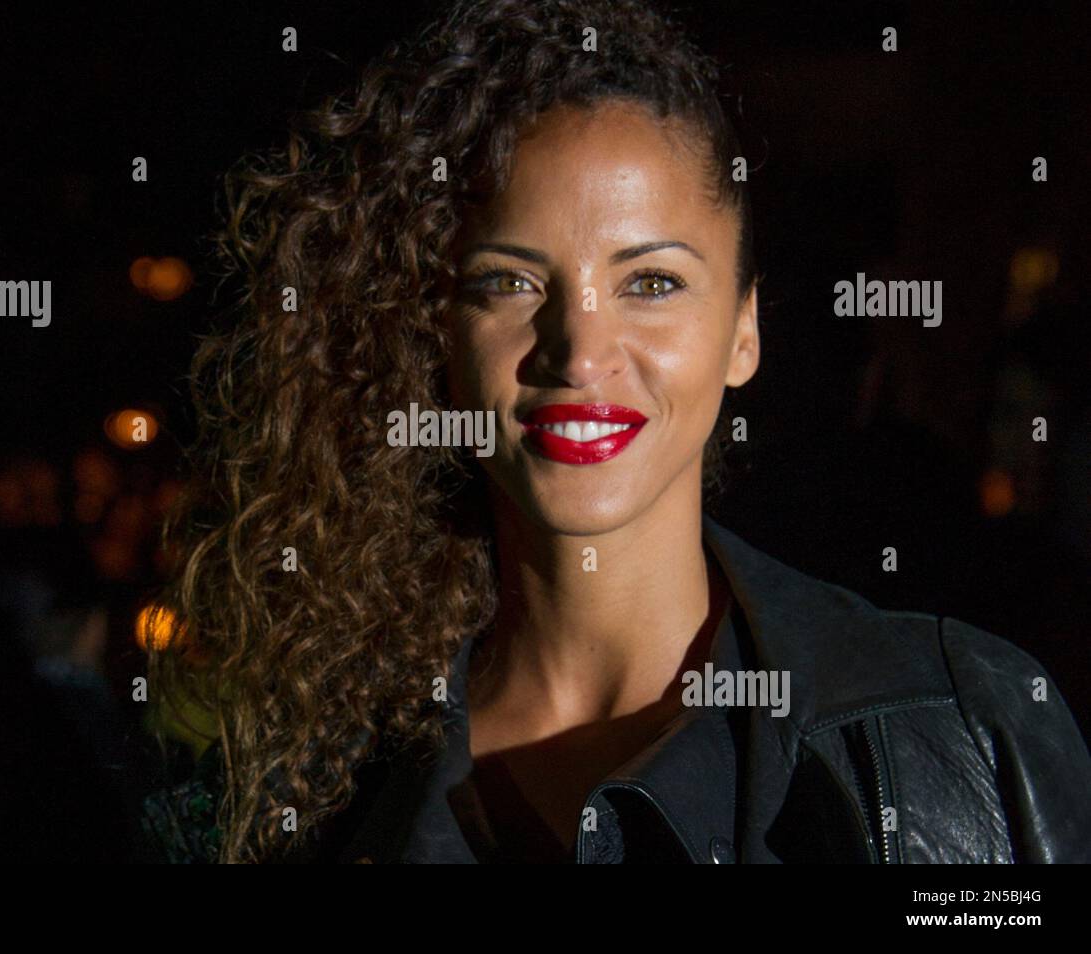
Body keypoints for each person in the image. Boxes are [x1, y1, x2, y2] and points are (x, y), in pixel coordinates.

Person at [140, 0, 1091, 863]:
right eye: (508, 282)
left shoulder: (956, 727)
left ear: (744, 332)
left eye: (652, 283)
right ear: (436, 336)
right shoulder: (294, 799)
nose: (580, 349)